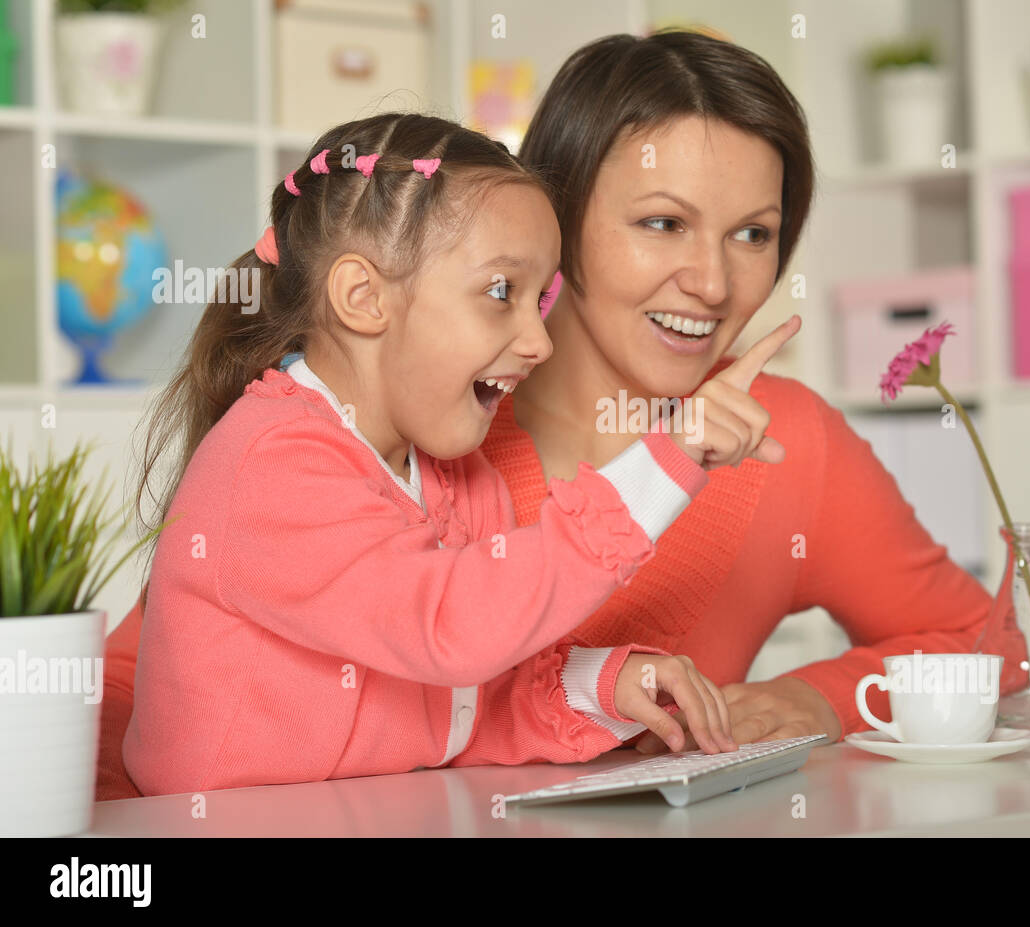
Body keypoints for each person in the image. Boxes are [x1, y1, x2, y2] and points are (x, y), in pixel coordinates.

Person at [98, 30, 997, 800]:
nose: (716, 283)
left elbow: (998, 646)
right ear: (554, 221)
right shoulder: (421, 424)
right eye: (661, 223)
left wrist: (813, 700)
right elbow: (144, 685)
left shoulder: (780, 436)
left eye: (753, 234)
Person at [120, 111, 798, 796]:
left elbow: (469, 701)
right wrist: (666, 459)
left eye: (542, 299)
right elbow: (449, 627)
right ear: (363, 297)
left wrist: (603, 684)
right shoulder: (273, 464)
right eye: (501, 293)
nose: (539, 340)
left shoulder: (459, 481)